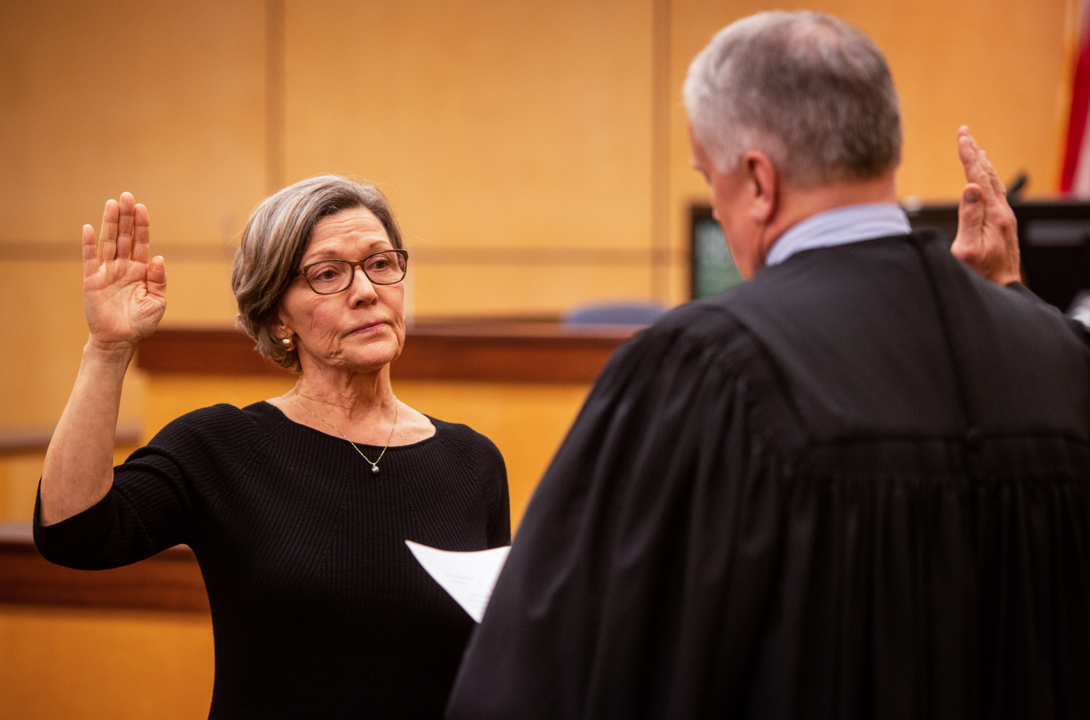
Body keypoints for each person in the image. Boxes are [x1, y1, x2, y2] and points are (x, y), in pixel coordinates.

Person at [447, 11, 1090, 720]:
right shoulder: (1058, 357)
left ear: (757, 181)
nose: (719, 215)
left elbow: (555, 673)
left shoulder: (701, 371)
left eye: (709, 179)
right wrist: (1010, 300)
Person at [34, 175, 511, 719]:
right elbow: (74, 534)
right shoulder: (221, 447)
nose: (366, 290)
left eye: (381, 263)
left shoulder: (472, 462)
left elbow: (492, 653)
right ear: (277, 314)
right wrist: (109, 349)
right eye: (328, 274)